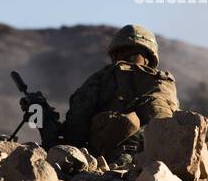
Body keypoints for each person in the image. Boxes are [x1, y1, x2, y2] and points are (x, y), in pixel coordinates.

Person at [58, 24, 179, 165]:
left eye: (131, 55)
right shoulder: (161, 81)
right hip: (156, 161)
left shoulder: (101, 78)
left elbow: (76, 125)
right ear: (149, 57)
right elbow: (169, 124)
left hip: (102, 160)